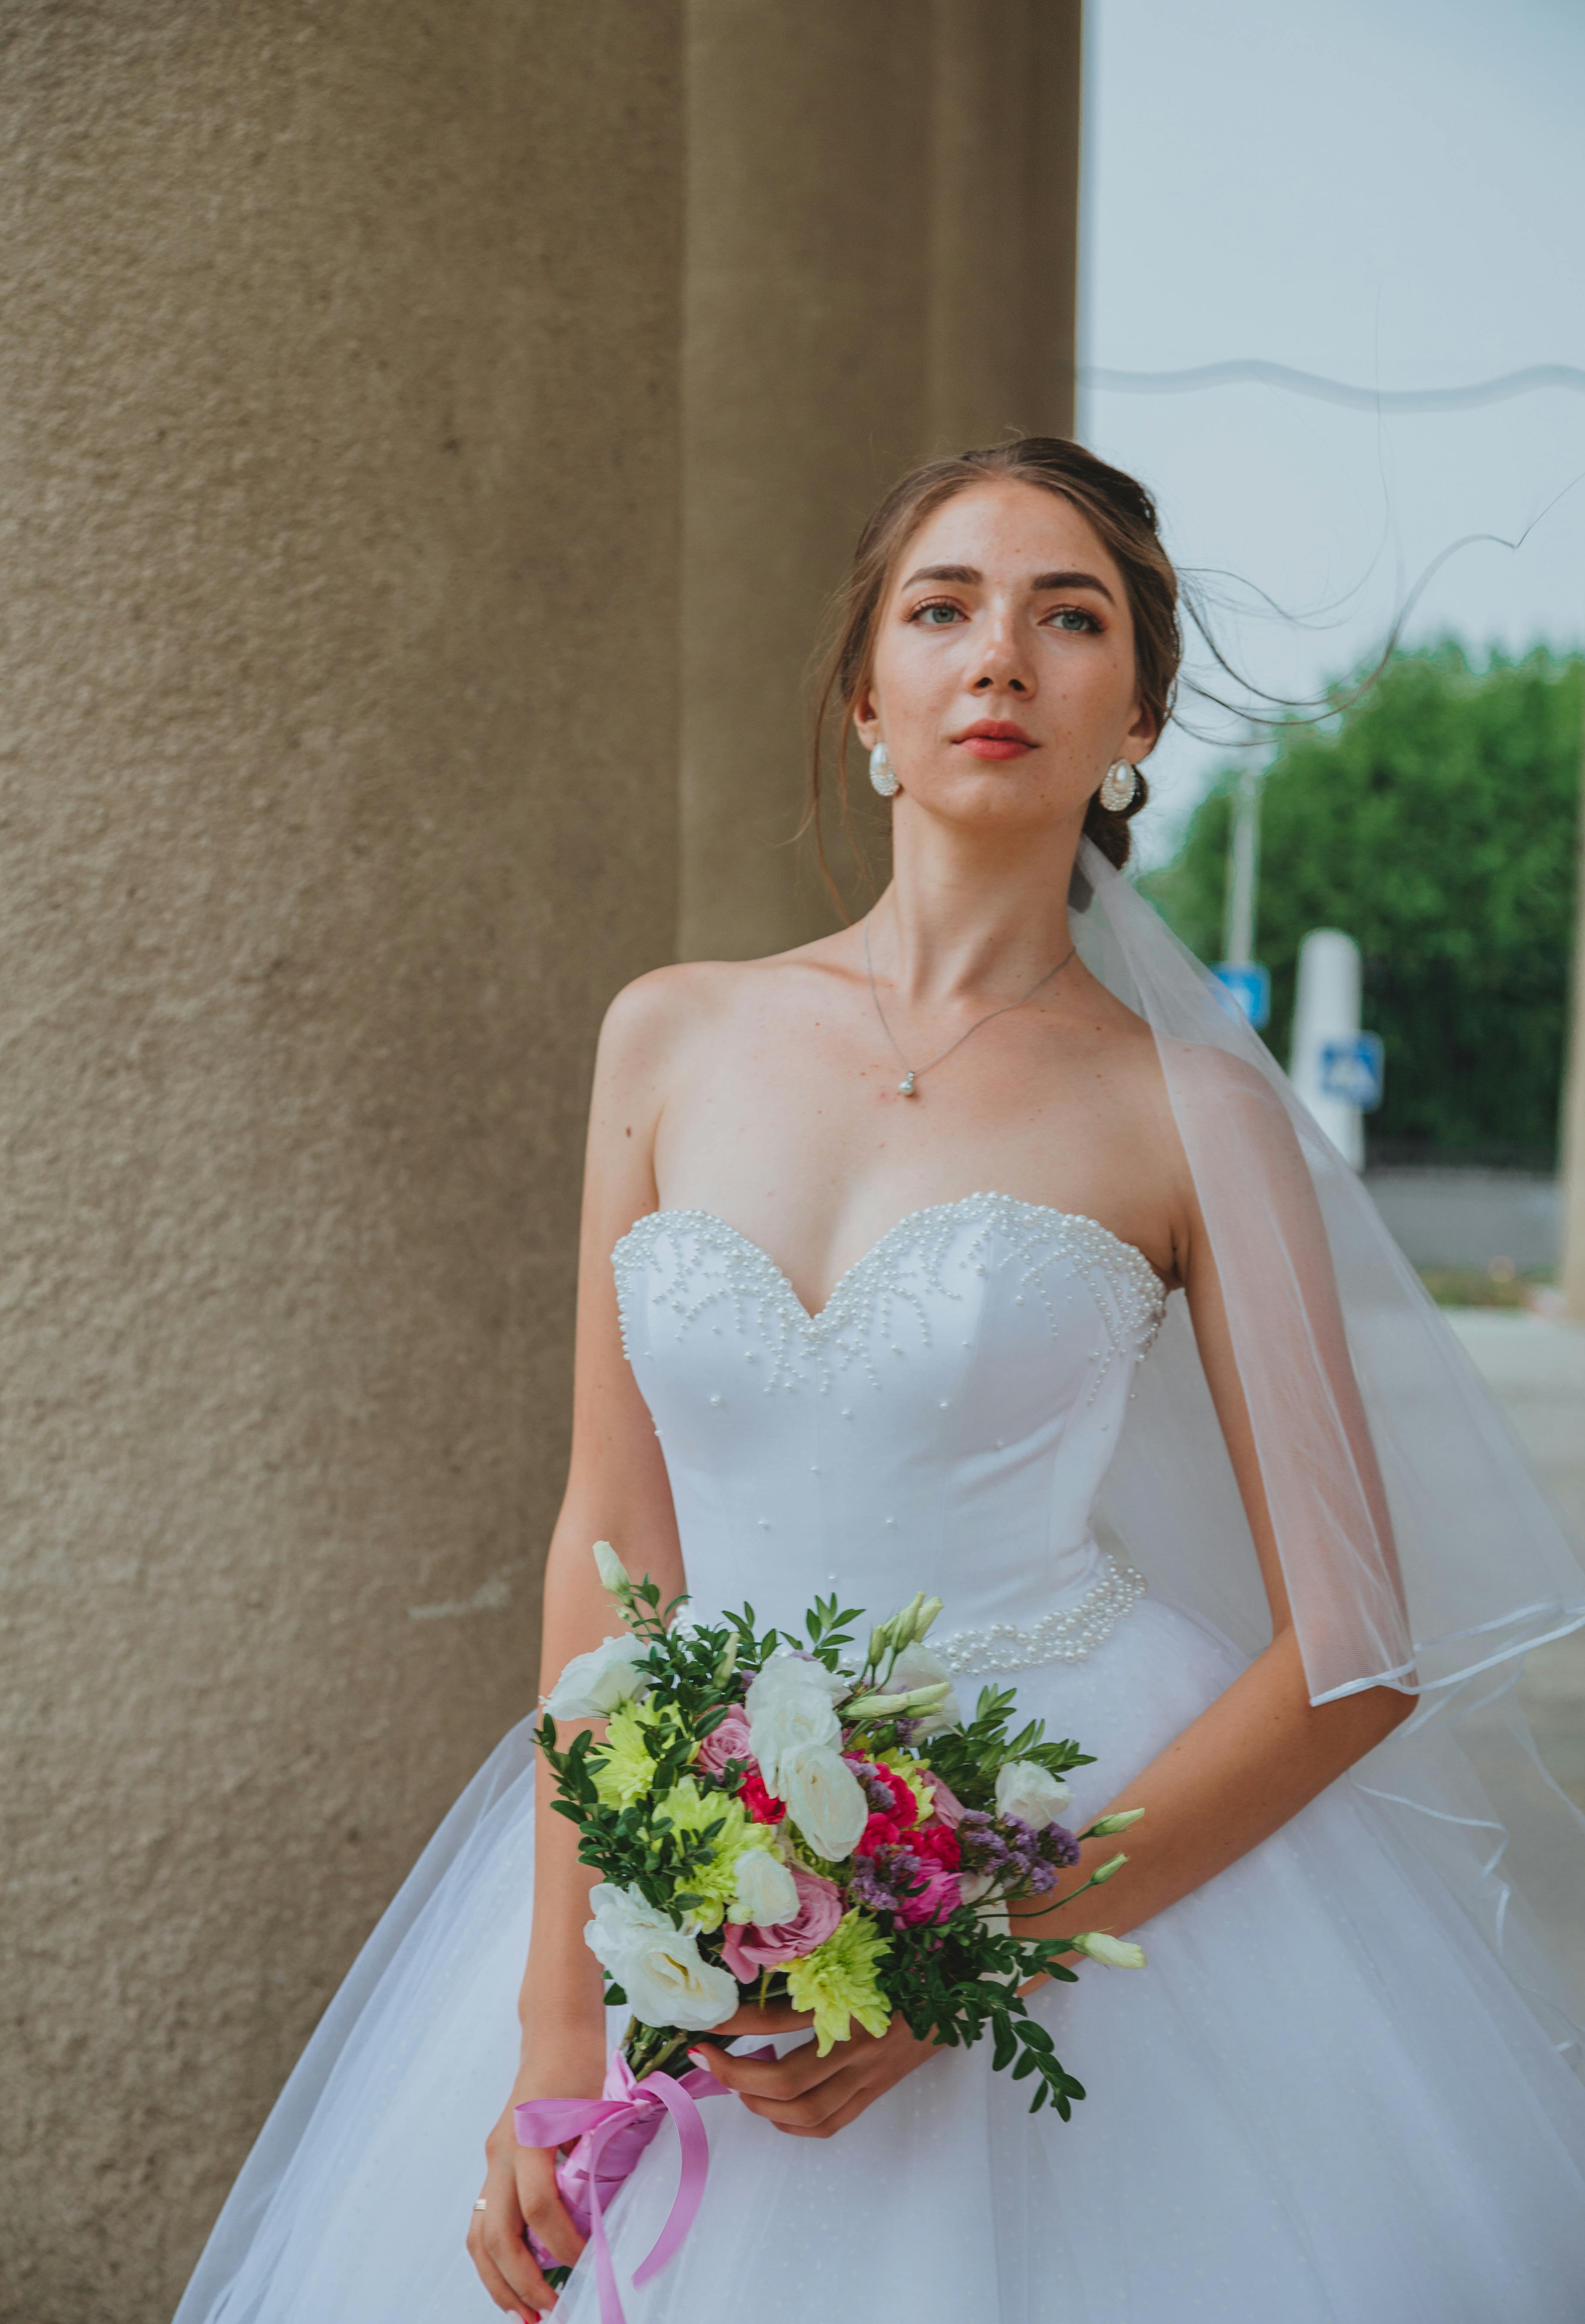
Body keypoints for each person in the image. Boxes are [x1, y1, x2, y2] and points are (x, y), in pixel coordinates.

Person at [175, 441, 1585, 2324]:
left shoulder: (1201, 1107)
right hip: (681, 1867)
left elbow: (1354, 1652)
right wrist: (554, 2017)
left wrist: (971, 1965)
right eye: (944, 610)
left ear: (1136, 715)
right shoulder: (669, 1033)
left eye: (1067, 617)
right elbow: (612, 1545)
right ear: (868, 696)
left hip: (1050, 1865)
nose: (1000, 657)